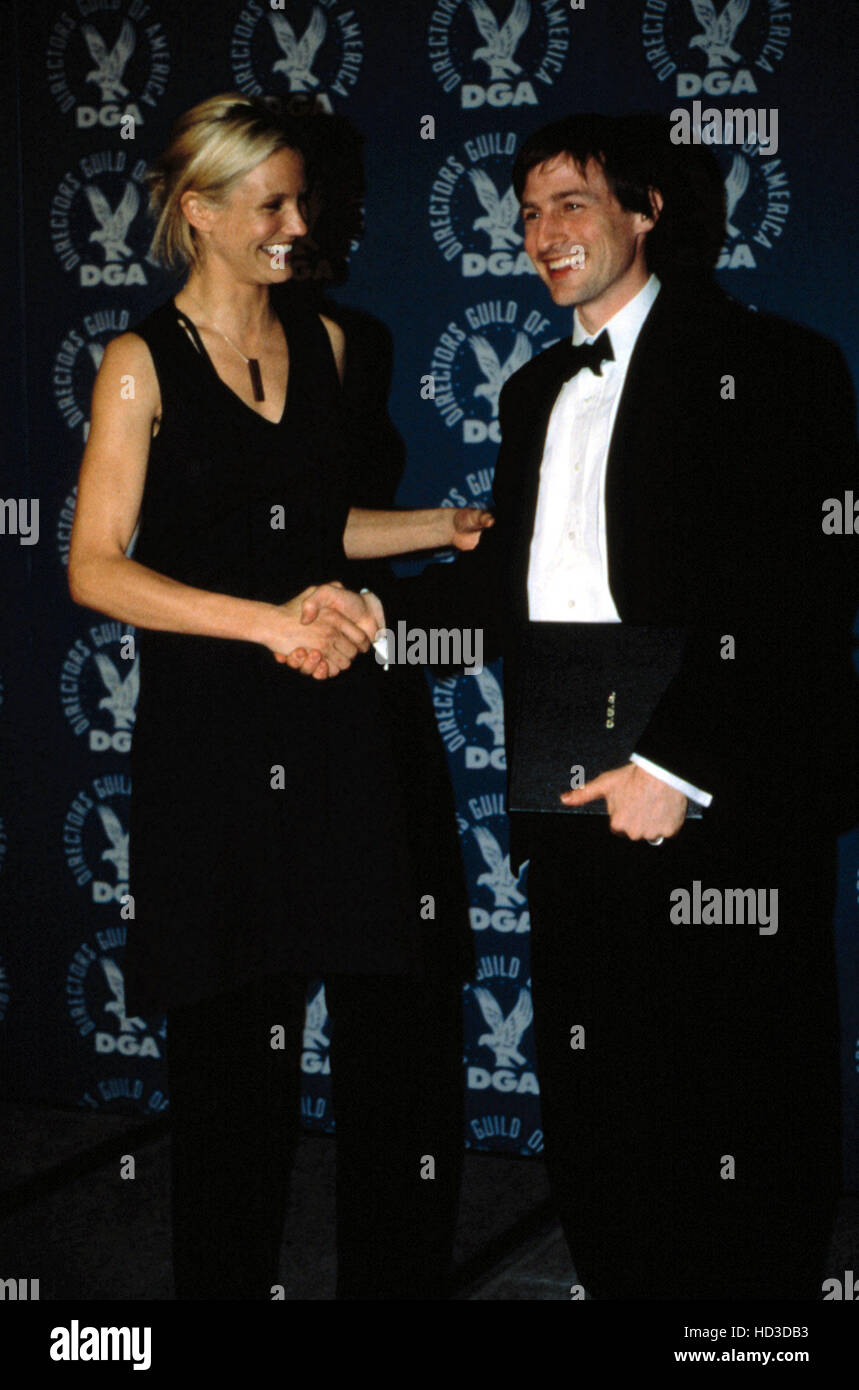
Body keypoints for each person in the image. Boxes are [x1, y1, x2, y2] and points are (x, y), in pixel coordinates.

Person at [376, 113, 858, 1299]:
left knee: (744, 1093)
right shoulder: (537, 387)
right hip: (563, 775)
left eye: (573, 204)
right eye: (530, 212)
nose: (543, 233)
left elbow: (795, 592)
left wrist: (677, 766)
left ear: (646, 211)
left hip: (722, 788)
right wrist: (379, 627)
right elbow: (510, 586)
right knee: (600, 1093)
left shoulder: (773, 361)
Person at [67, 92, 492, 1300]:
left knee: (397, 1041)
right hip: (217, 744)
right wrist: (272, 621)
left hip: (347, 732)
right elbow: (96, 565)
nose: (300, 225)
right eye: (272, 204)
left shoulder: (340, 345)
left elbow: (319, 528)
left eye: (303, 199)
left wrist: (442, 525)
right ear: (197, 212)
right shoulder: (140, 366)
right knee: (229, 1067)